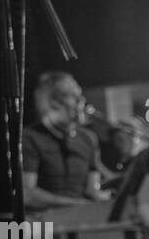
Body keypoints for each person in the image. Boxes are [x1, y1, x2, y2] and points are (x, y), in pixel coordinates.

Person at [22, 72, 110, 210]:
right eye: (74, 96)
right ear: (54, 102)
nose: (82, 100)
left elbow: (92, 190)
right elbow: (27, 194)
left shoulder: (88, 138)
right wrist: (77, 205)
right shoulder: (30, 137)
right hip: (44, 223)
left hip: (82, 218)